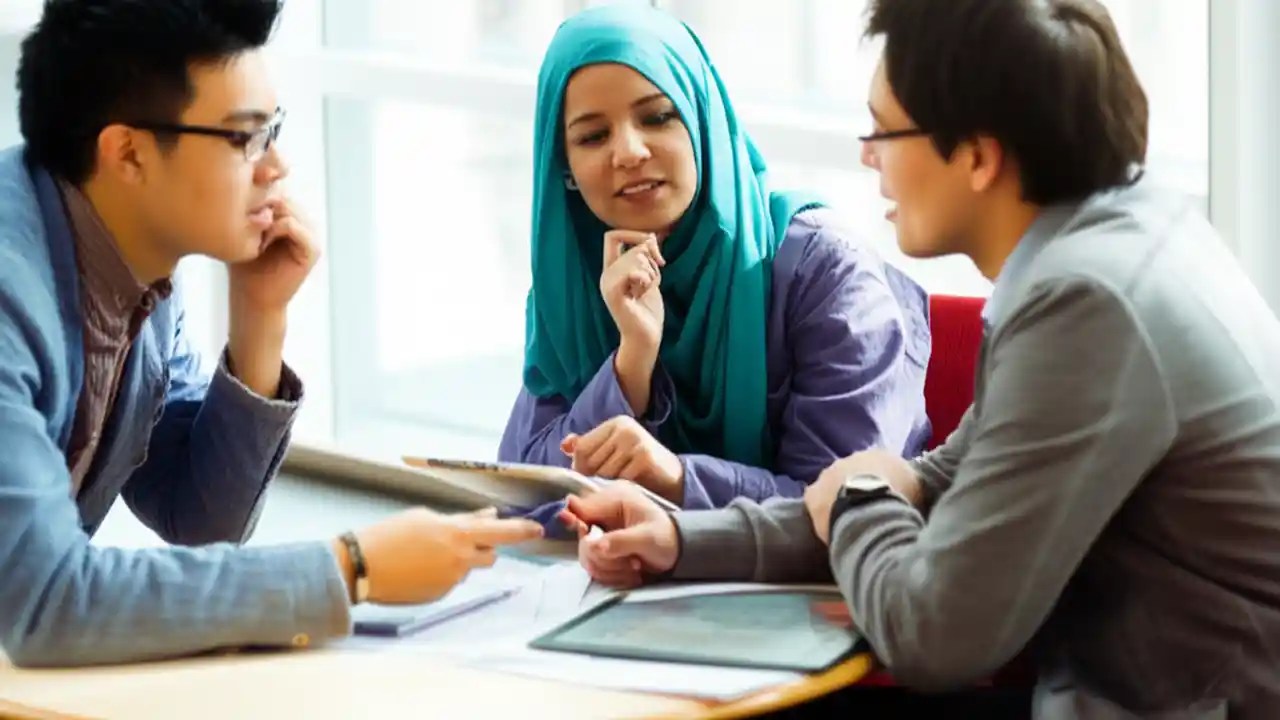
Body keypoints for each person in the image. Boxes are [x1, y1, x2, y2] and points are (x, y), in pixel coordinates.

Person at [560, 0, 1280, 716]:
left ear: (976, 154)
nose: (867, 154)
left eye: (883, 130)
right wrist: (682, 539)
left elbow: (933, 638)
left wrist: (860, 493)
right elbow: (936, 481)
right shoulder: (1118, 241)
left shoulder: (1090, 303)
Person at [0, 0, 541, 668]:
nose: (276, 167)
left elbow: (199, 519)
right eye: (245, 138)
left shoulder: (135, 268)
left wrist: (259, 319)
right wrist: (352, 567)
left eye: (273, 130)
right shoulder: (9, 286)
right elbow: (46, 602)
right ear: (129, 153)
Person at [499, 3, 931, 514]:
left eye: (658, 117)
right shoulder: (584, 282)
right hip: (629, 581)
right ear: (564, 167)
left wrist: (676, 478)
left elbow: (843, 504)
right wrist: (629, 366)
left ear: (702, 121)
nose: (630, 151)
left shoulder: (825, 273)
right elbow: (522, 488)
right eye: (593, 136)